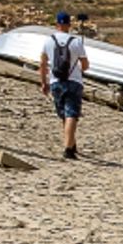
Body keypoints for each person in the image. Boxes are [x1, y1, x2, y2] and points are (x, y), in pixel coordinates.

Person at [39, 11, 89, 160]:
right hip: (74, 81)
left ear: (57, 24)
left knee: (64, 115)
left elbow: (42, 64)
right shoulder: (76, 42)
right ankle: (68, 148)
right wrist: (78, 70)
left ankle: (71, 143)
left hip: (56, 81)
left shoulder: (48, 41)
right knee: (72, 114)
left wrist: (43, 82)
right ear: (69, 25)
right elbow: (85, 65)